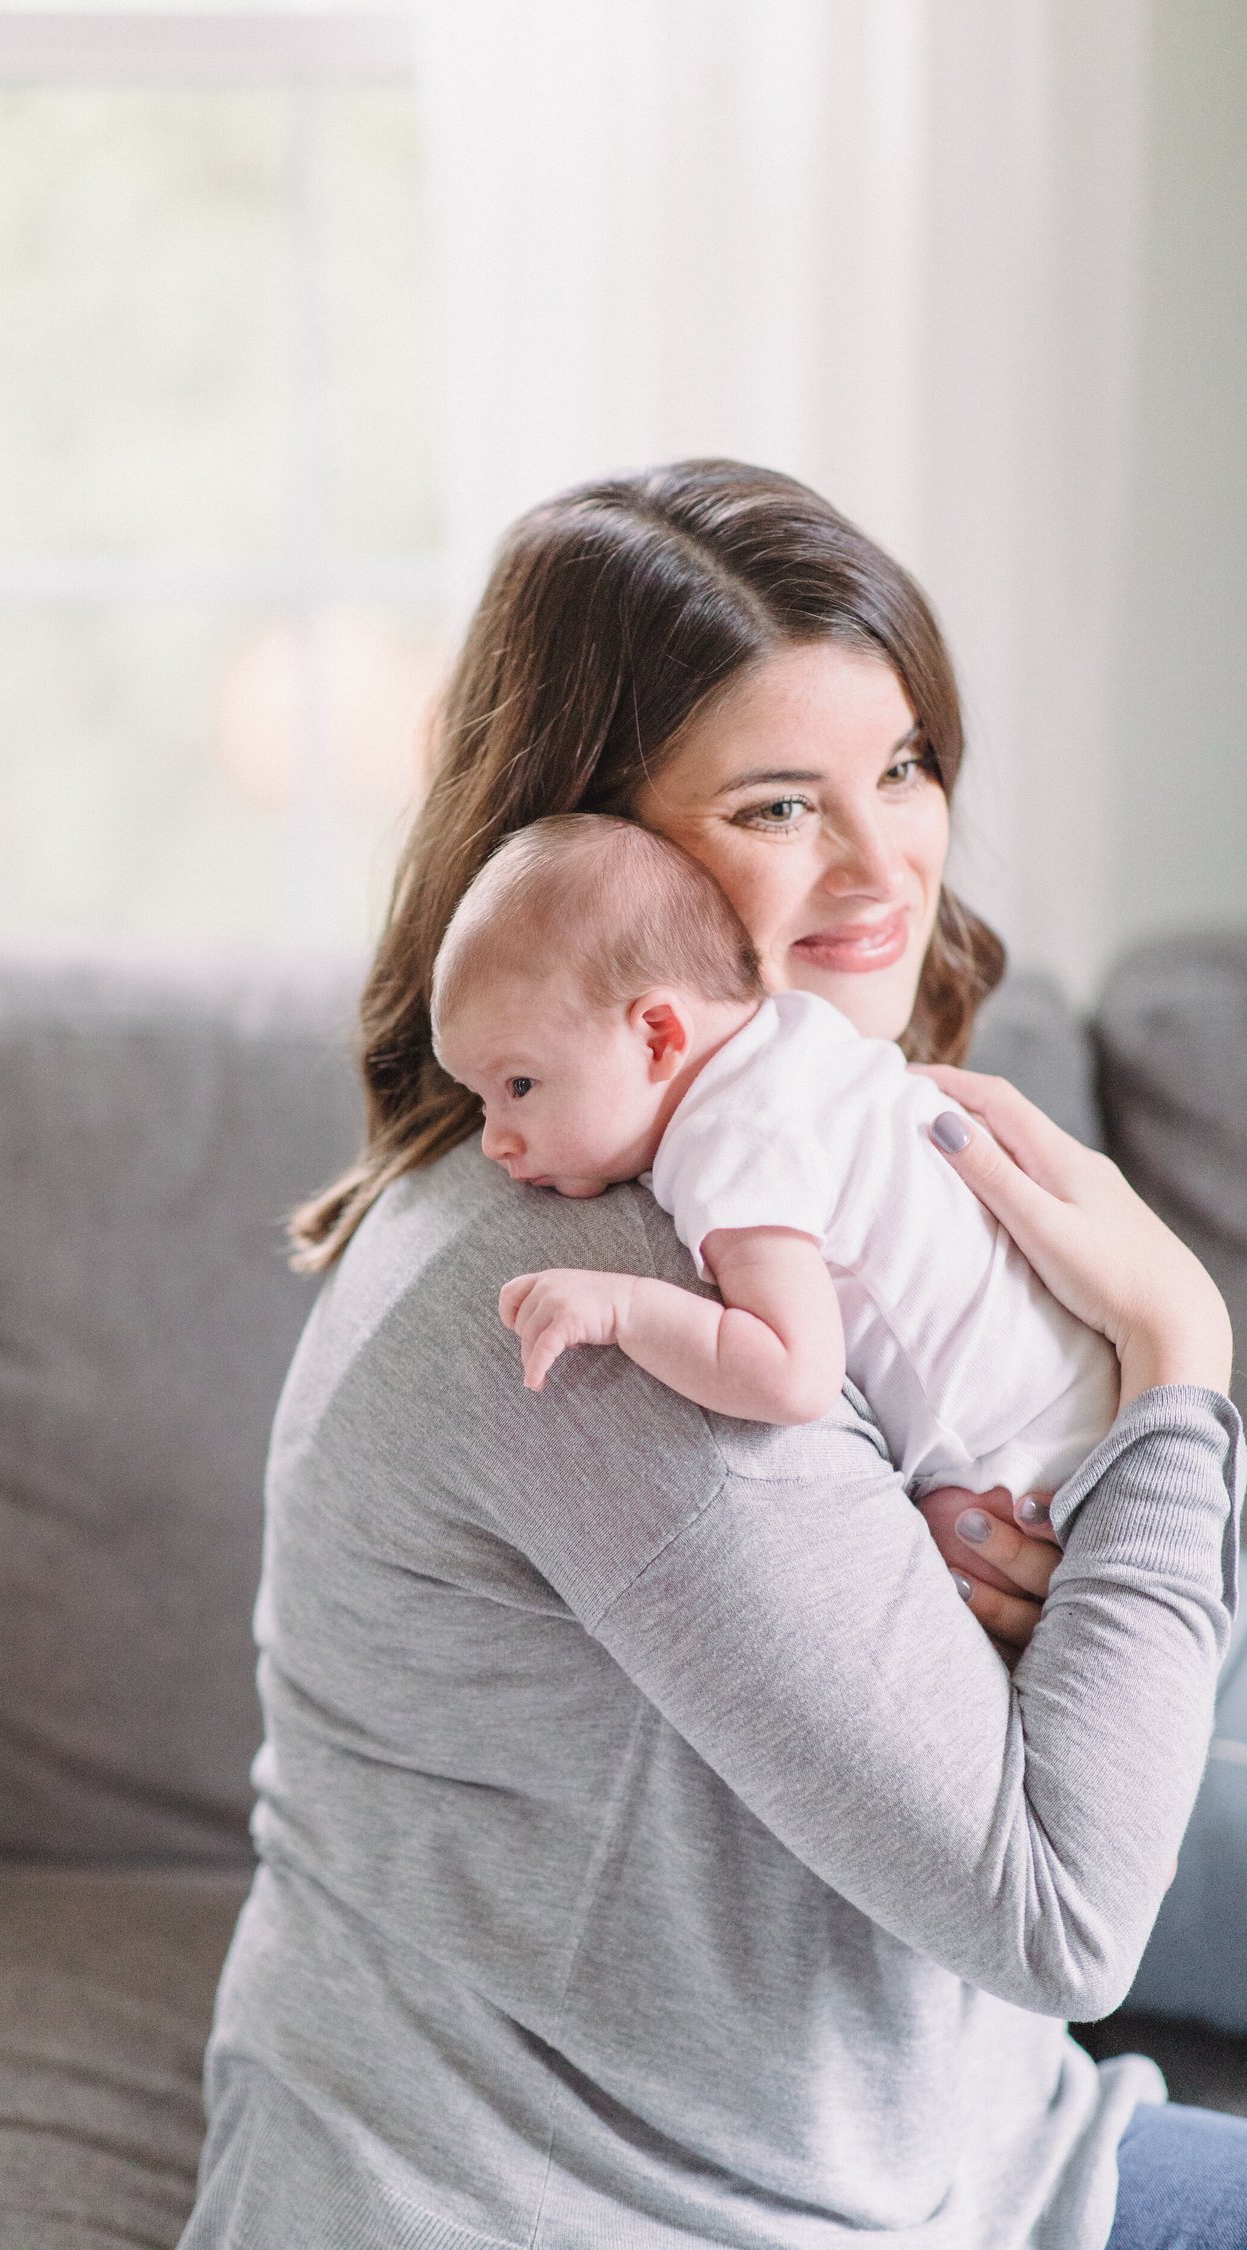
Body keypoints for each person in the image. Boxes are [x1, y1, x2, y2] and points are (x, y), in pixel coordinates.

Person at [180, 463, 1243, 2250]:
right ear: (592, 842)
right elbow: (1066, 1915)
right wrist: (1182, 1355)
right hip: (625, 2209)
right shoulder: (598, 1279)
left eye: (901, 768)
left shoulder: (744, 1141)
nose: (883, 864)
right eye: (774, 804)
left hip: (965, 2142)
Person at [431, 811, 1118, 1502]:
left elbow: (792, 1376)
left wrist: (623, 1309)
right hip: (1099, 1402)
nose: (493, 1141)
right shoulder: (797, 1034)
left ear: (659, 1035)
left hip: (1043, 1463)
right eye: (483, 1100)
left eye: (519, 1086)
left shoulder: (730, 1141)